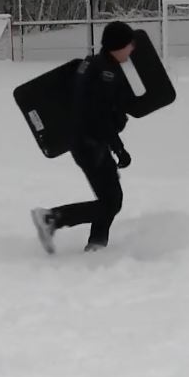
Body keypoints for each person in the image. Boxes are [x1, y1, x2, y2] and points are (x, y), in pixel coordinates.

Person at [30, 21, 136, 254]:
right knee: (111, 201)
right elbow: (100, 116)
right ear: (117, 46)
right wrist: (119, 149)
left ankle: (96, 247)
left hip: (85, 142)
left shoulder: (93, 64)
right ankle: (52, 218)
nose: (132, 48)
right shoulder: (105, 72)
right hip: (91, 145)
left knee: (110, 198)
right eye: (129, 44)